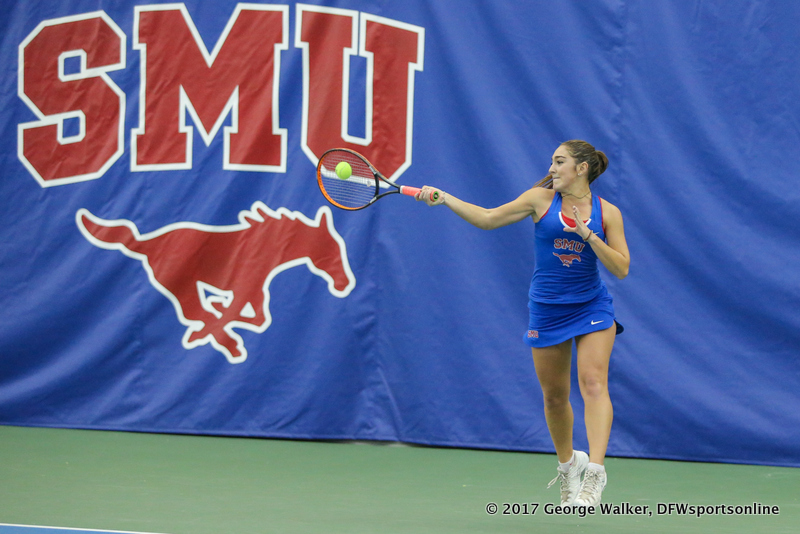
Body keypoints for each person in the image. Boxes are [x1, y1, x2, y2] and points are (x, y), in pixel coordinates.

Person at [415, 140, 630, 507]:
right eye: (551, 162)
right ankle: (568, 468)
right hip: (546, 309)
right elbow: (487, 219)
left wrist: (589, 234)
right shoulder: (538, 200)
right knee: (554, 396)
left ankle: (595, 473)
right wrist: (445, 198)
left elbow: (621, 268)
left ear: (581, 168)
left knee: (593, 383)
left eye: (559, 162)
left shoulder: (607, 212)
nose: (552, 169)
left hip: (591, 305)